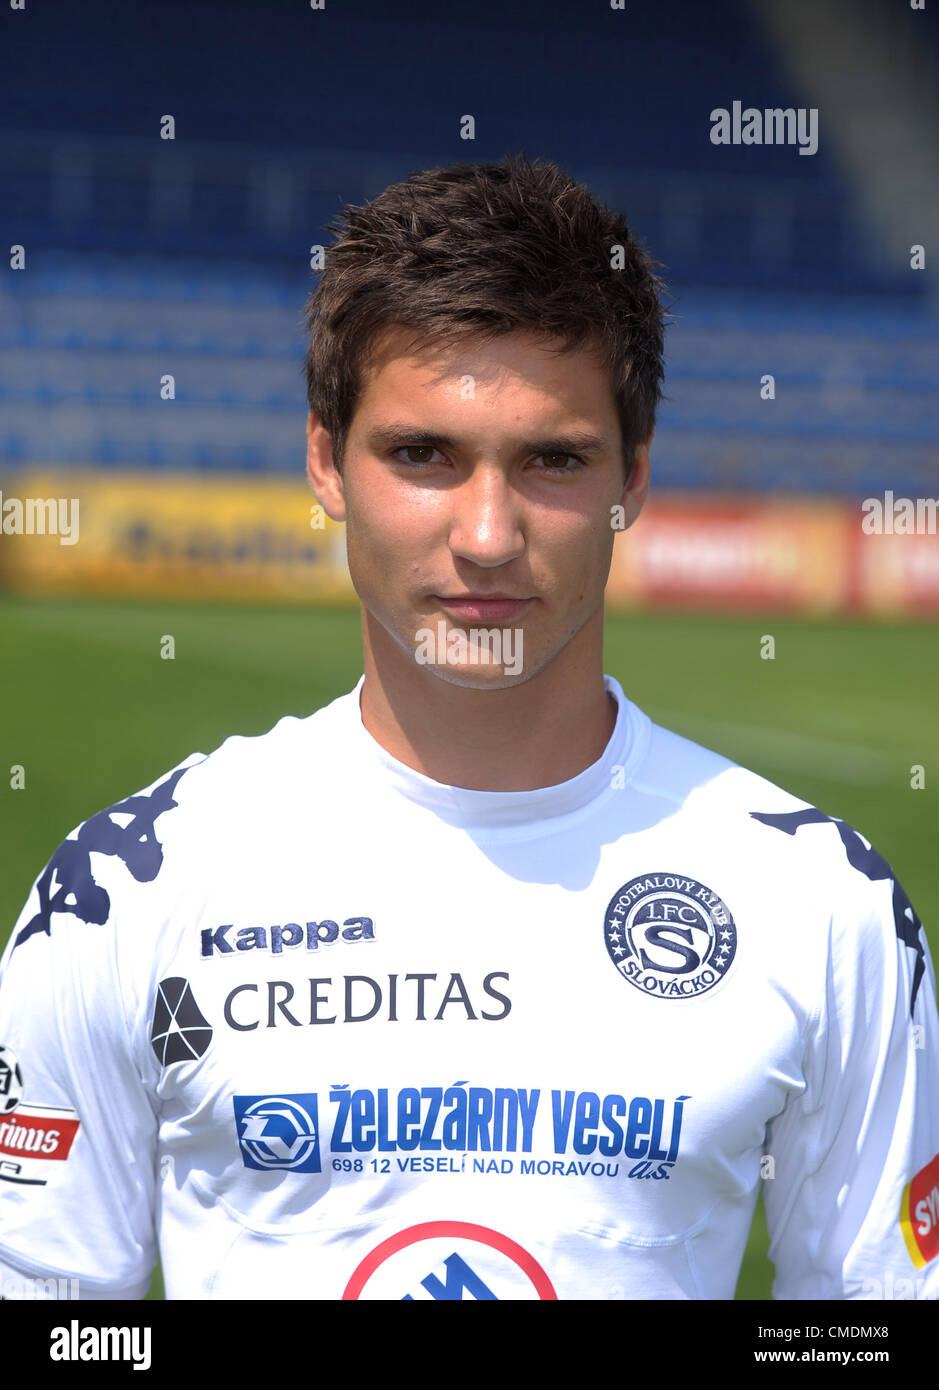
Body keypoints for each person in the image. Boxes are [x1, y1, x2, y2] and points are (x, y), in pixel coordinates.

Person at [1, 154, 936, 1302]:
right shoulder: (123, 889)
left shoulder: (824, 905)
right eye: (422, 455)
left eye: (552, 460)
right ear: (323, 461)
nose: (487, 534)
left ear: (633, 475)